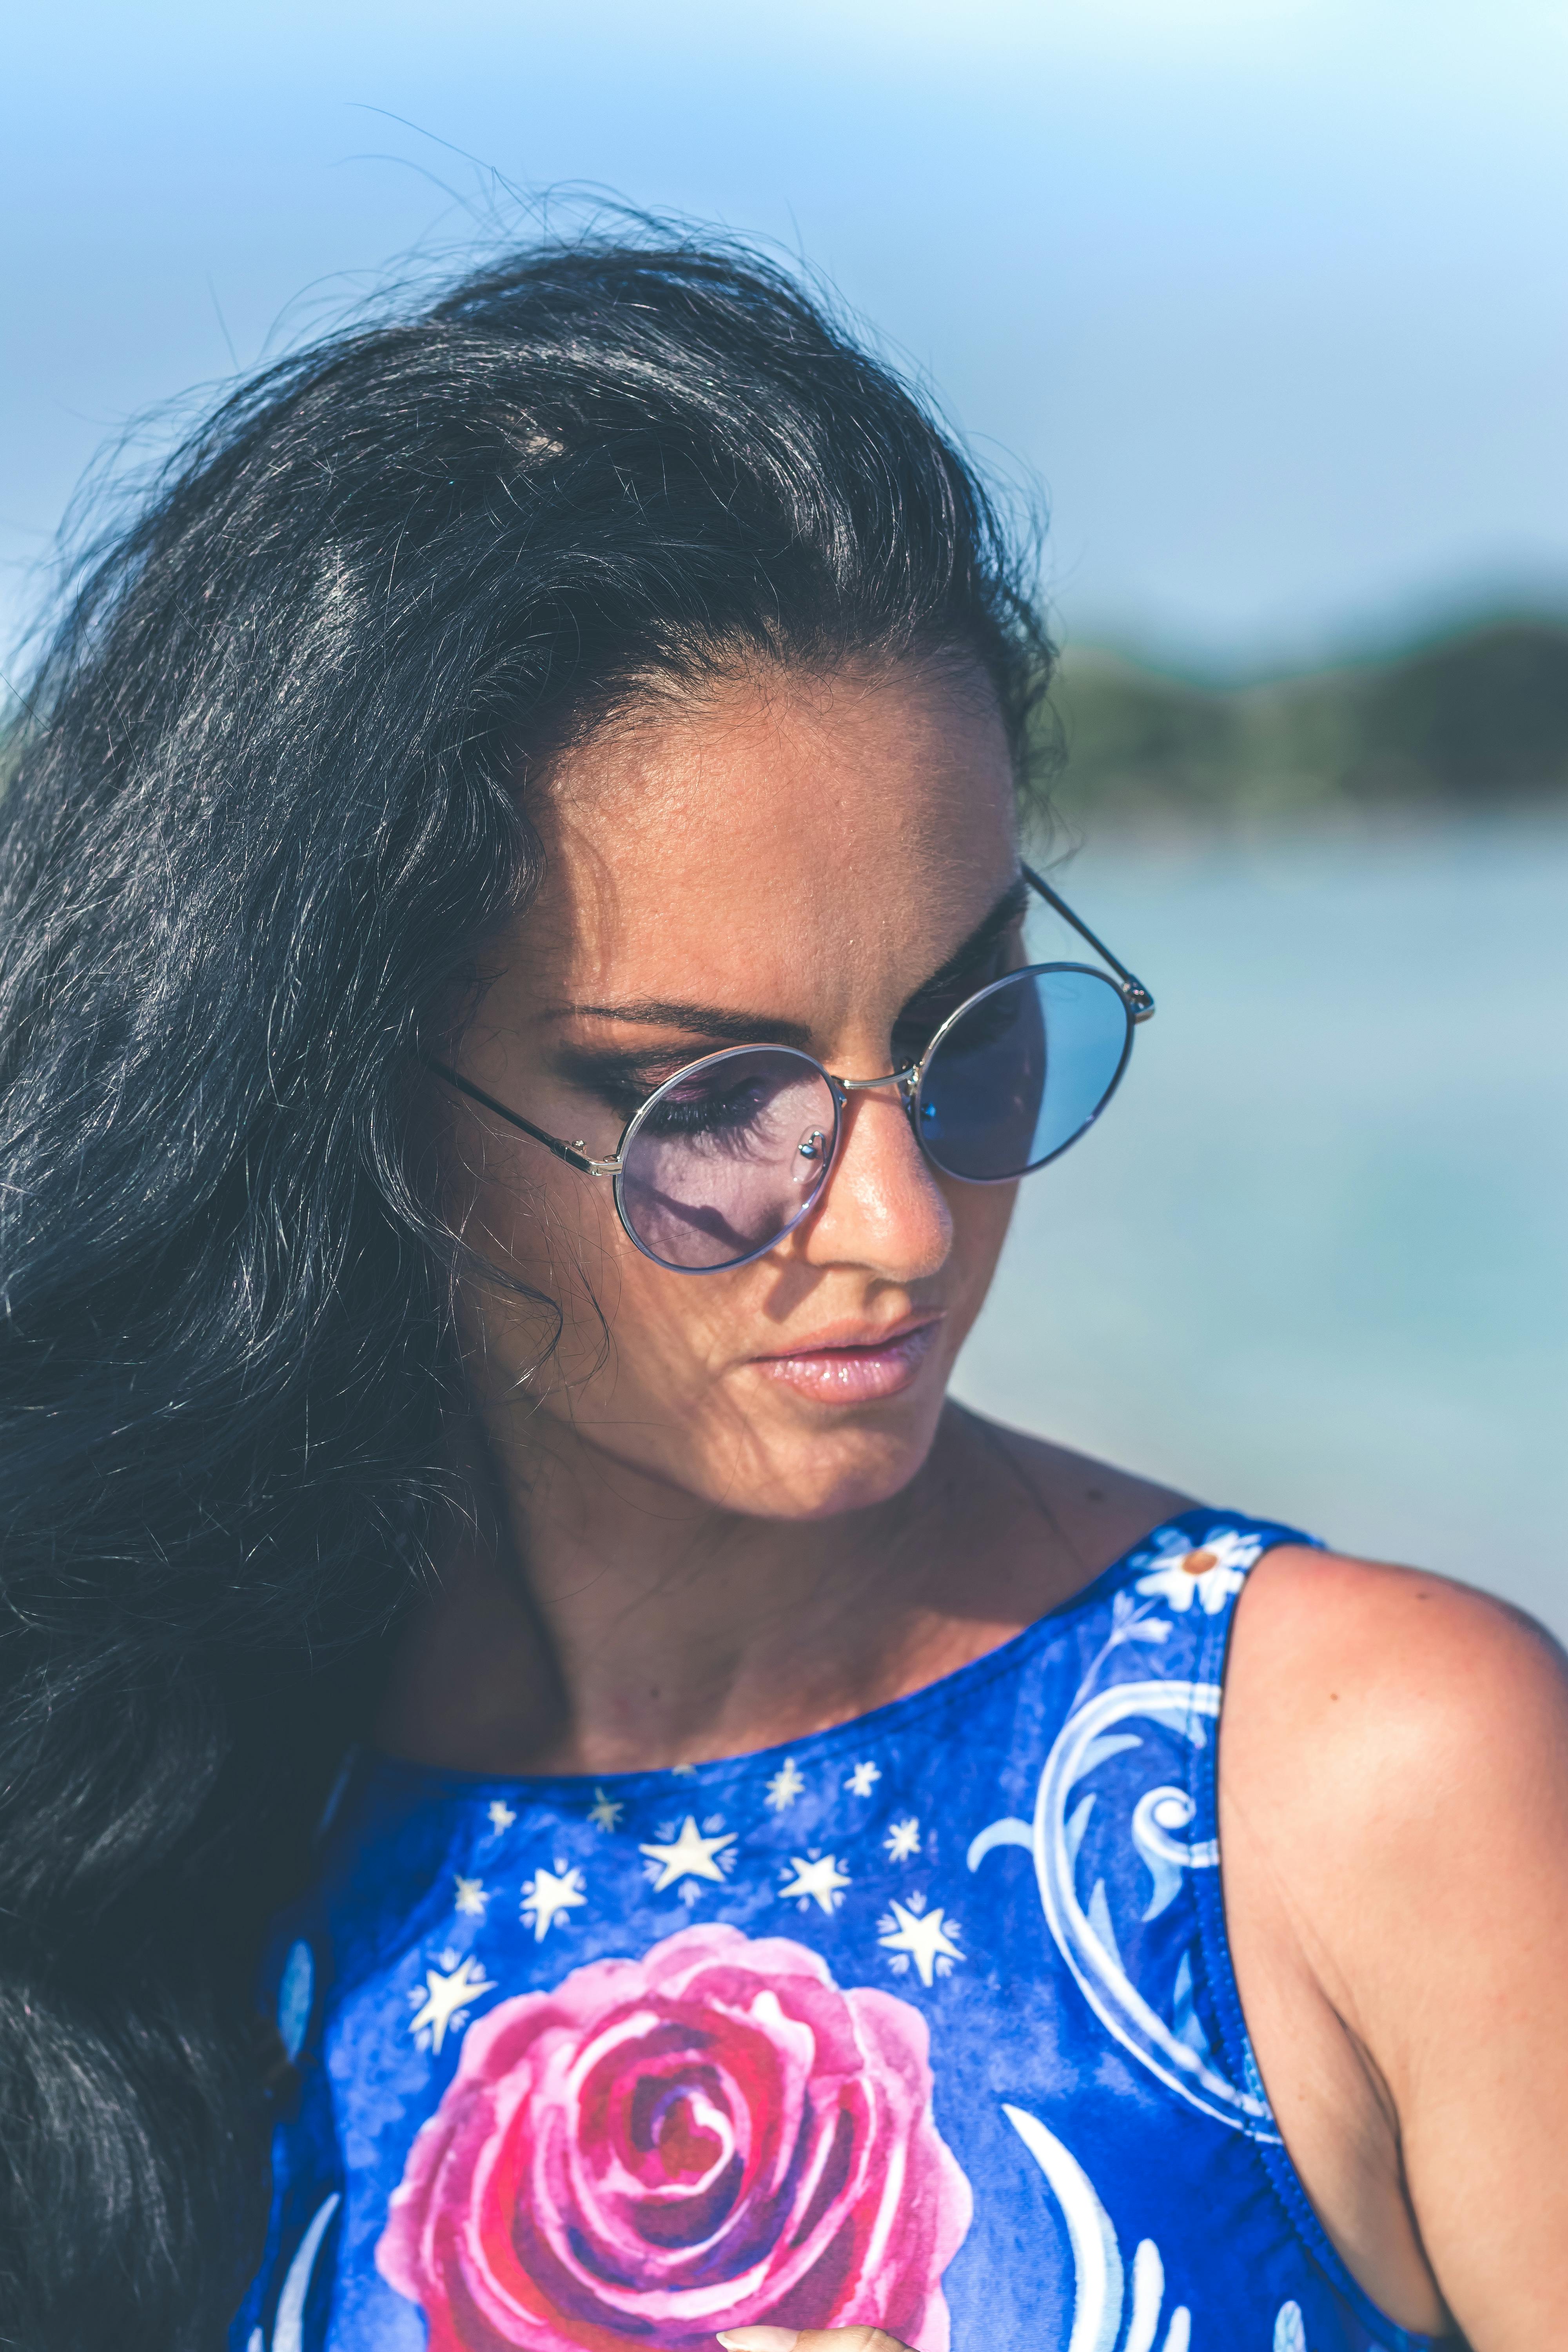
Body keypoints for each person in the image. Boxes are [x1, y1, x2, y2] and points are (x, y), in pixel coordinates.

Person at [0, 234, 1562, 2352]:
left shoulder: (1353, 1791)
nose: (904, 1221)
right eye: (705, 1101)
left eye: (968, 1033)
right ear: (353, 1099)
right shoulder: (137, 1855)